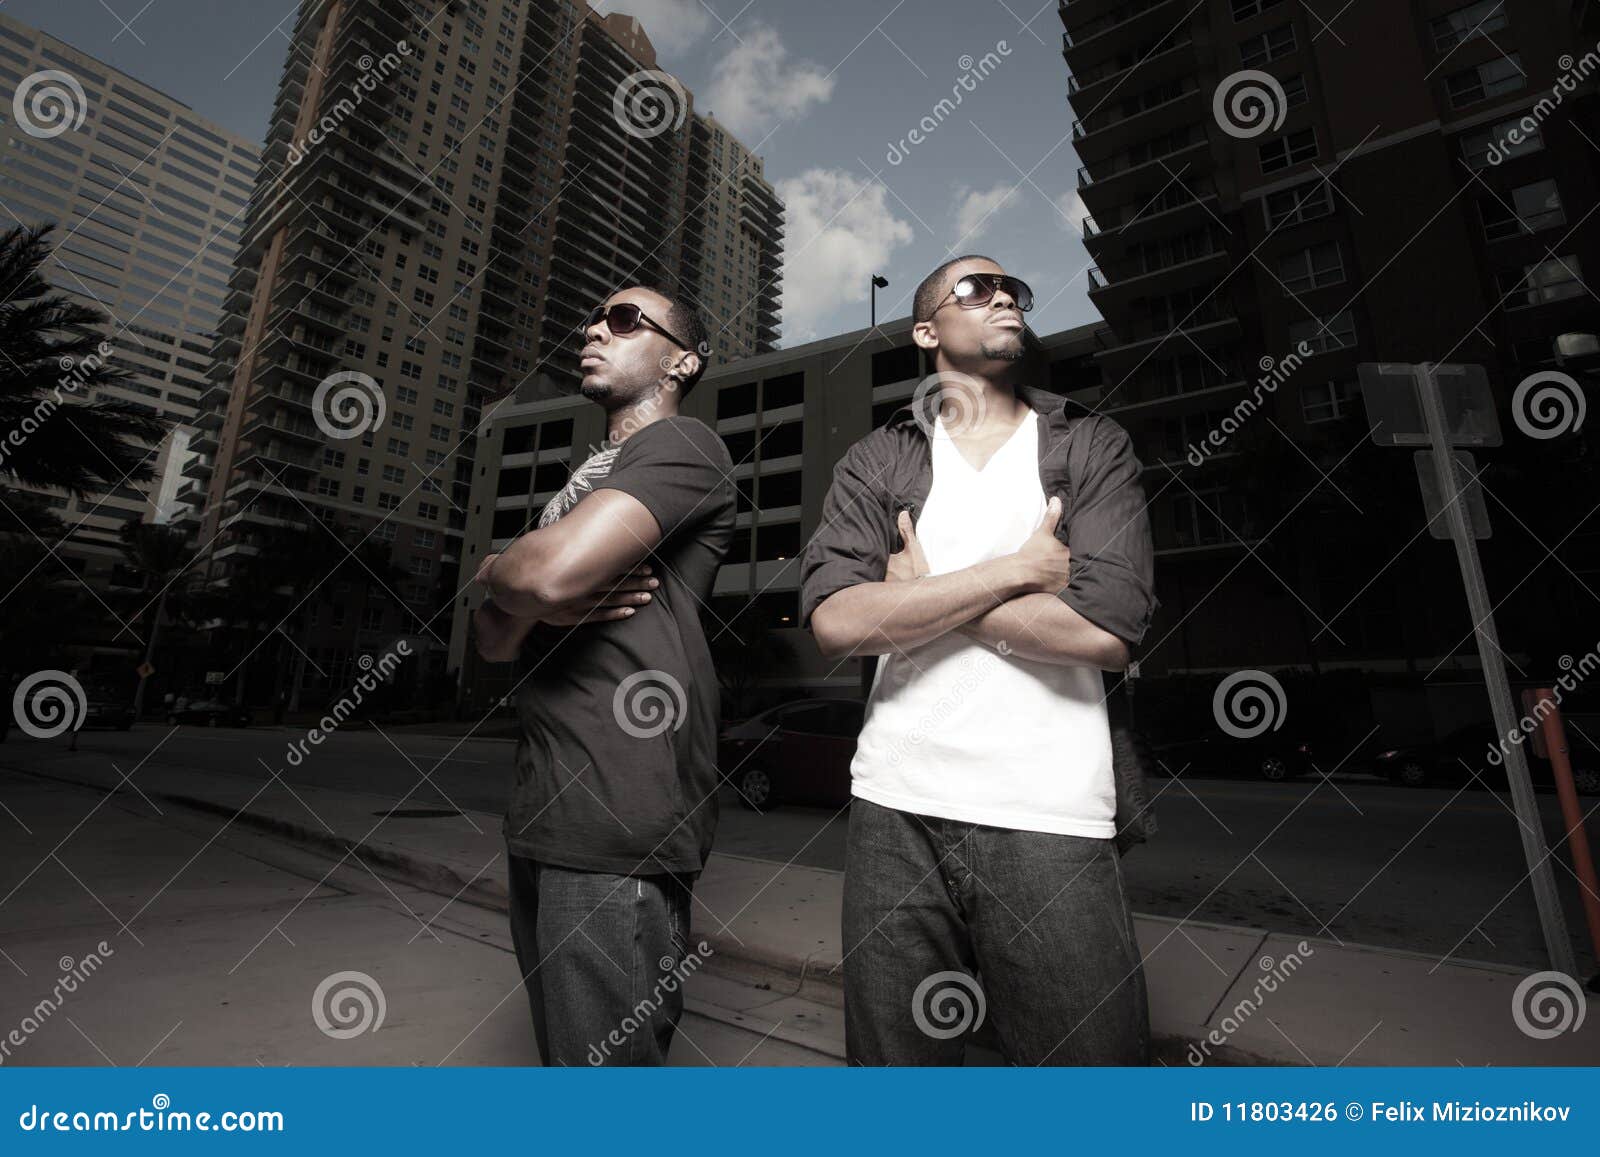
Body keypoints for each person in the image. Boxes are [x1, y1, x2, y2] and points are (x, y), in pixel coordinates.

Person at [799, 255, 1158, 1065]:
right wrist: (1015, 572)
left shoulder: (1089, 444)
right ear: (927, 331)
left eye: (1014, 290)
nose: (1003, 297)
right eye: (975, 288)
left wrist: (921, 602)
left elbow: (1107, 629)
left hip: (1050, 816)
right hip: (895, 809)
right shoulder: (879, 459)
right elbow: (836, 621)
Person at [475, 285, 734, 1066]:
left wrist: (500, 568)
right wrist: (518, 588)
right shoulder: (587, 479)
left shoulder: (683, 446)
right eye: (592, 317)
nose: (594, 328)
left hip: (616, 803)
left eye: (624, 320)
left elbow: (543, 577)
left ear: (682, 361)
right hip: (546, 803)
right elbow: (492, 638)